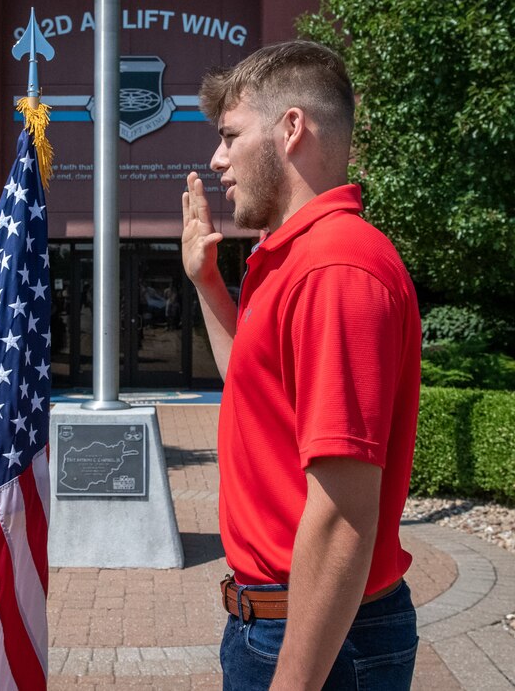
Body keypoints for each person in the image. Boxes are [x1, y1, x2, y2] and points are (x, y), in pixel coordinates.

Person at [181, 41, 421, 690]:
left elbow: (344, 513)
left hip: (319, 639)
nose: (217, 159)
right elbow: (255, 398)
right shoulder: (292, 258)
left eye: (230, 136)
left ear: (291, 129)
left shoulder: (334, 267)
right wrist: (208, 283)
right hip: (289, 628)